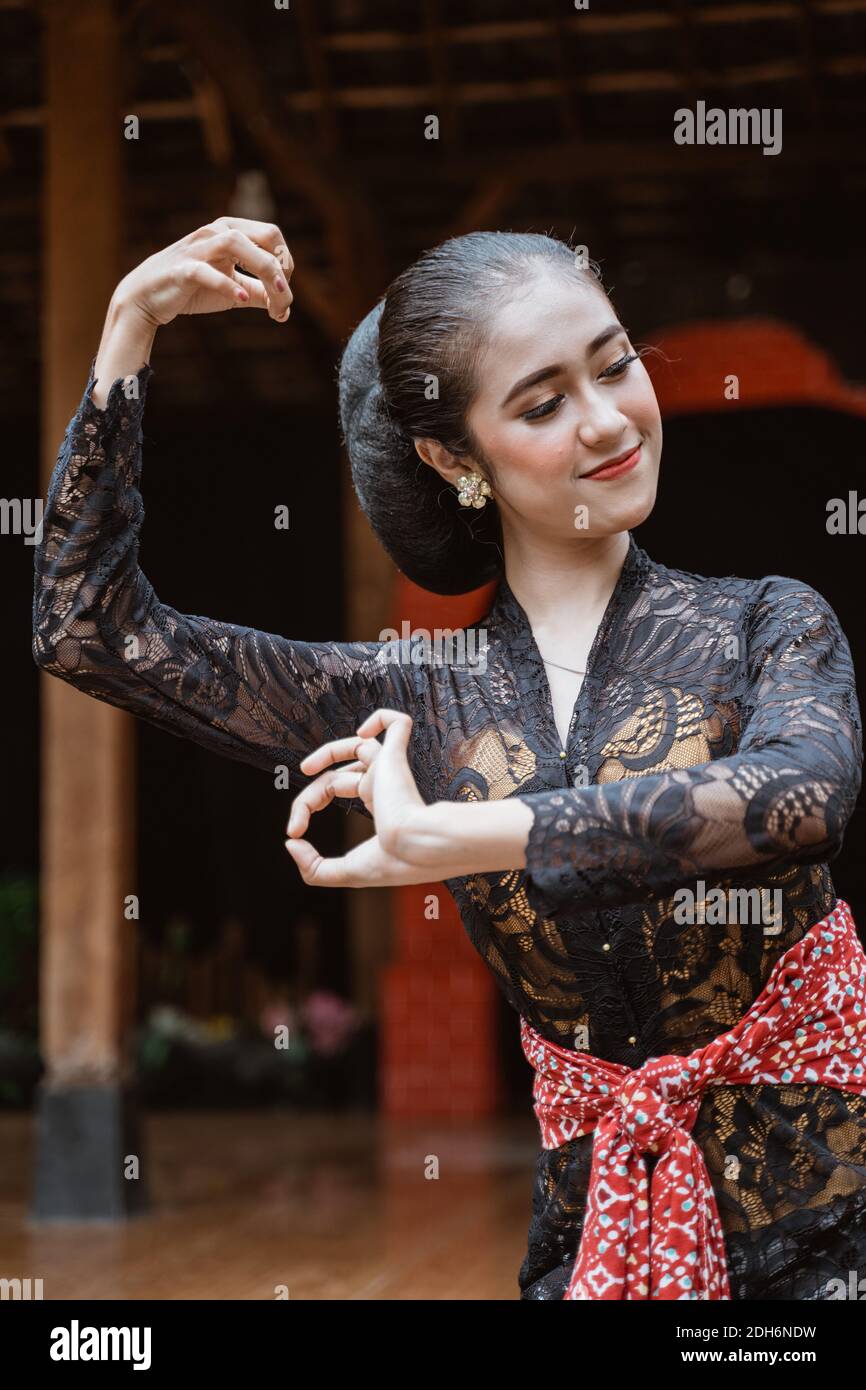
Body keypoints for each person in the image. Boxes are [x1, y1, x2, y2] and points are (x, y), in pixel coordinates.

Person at [33, 221, 866, 1301]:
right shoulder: (417, 689)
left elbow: (802, 794)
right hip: (594, 1231)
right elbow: (90, 633)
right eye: (541, 402)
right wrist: (126, 332)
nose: (608, 419)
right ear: (452, 458)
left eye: (613, 365)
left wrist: (458, 836)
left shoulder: (764, 623)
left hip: (828, 1216)